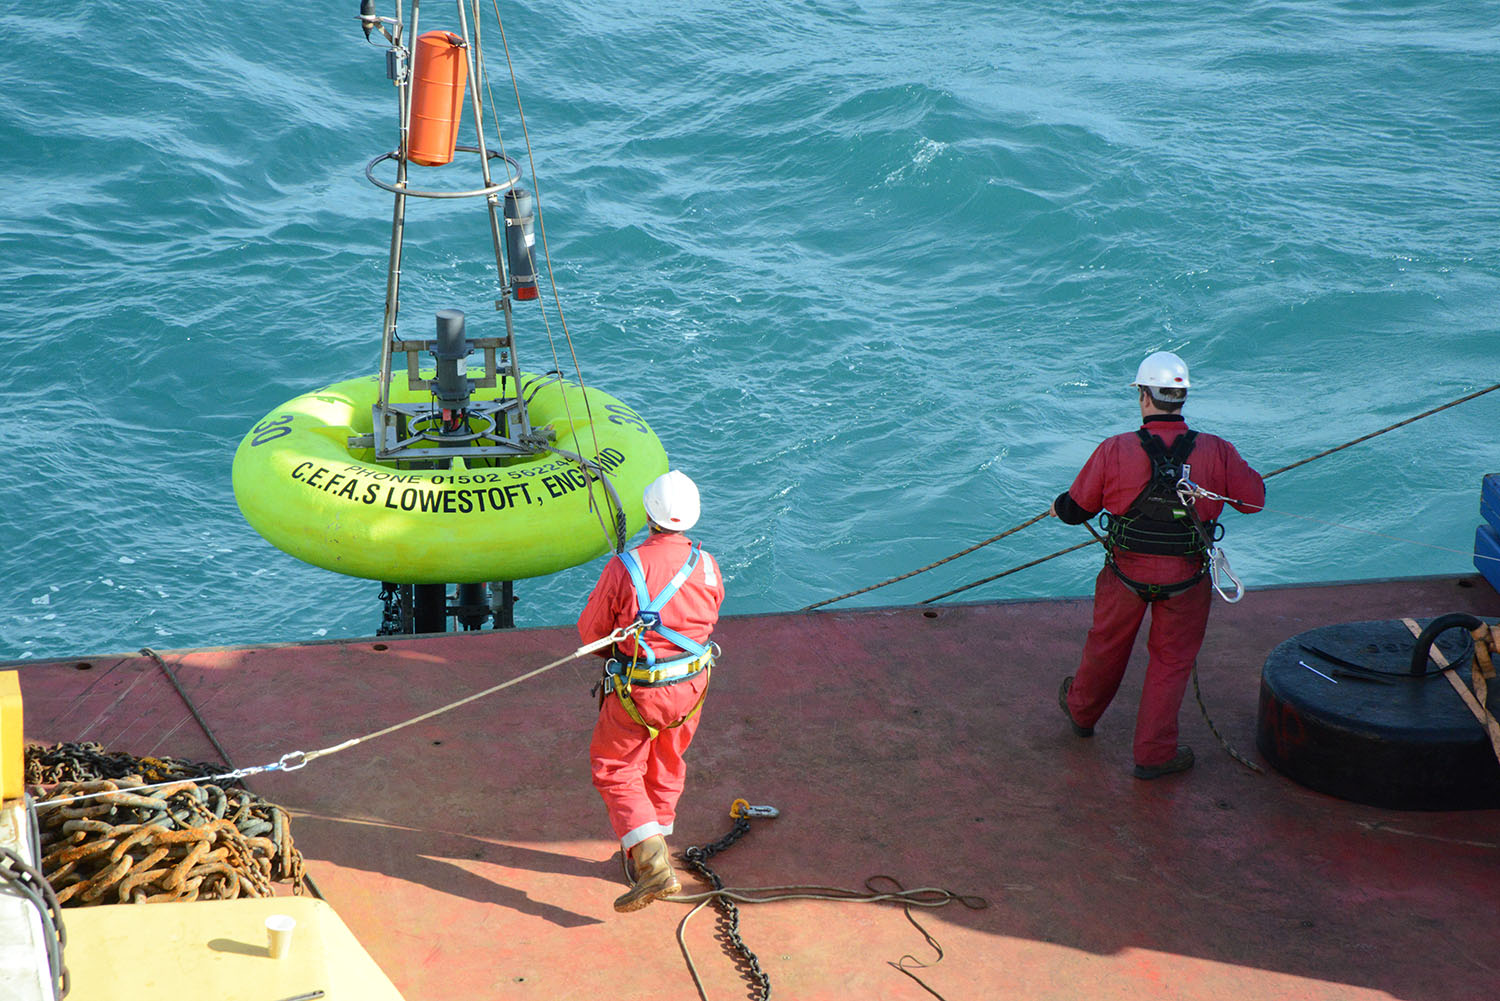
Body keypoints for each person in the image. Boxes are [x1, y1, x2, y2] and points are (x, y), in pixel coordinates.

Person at [1050, 351, 1264, 779]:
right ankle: (1153, 754)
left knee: (1106, 645)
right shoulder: (1217, 450)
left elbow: (1077, 509)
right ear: (1182, 397)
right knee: (1171, 661)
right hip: (1186, 578)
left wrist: (1060, 507)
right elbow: (1253, 501)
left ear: (1144, 396)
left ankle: (1082, 712)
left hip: (1126, 575)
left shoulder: (1115, 449)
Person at [578, 469, 725, 912]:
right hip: (692, 687)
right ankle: (650, 850)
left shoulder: (625, 567)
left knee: (616, 768)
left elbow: (592, 634)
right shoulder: (707, 564)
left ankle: (651, 862)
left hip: (639, 691)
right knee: (666, 763)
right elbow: (708, 614)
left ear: (648, 515)